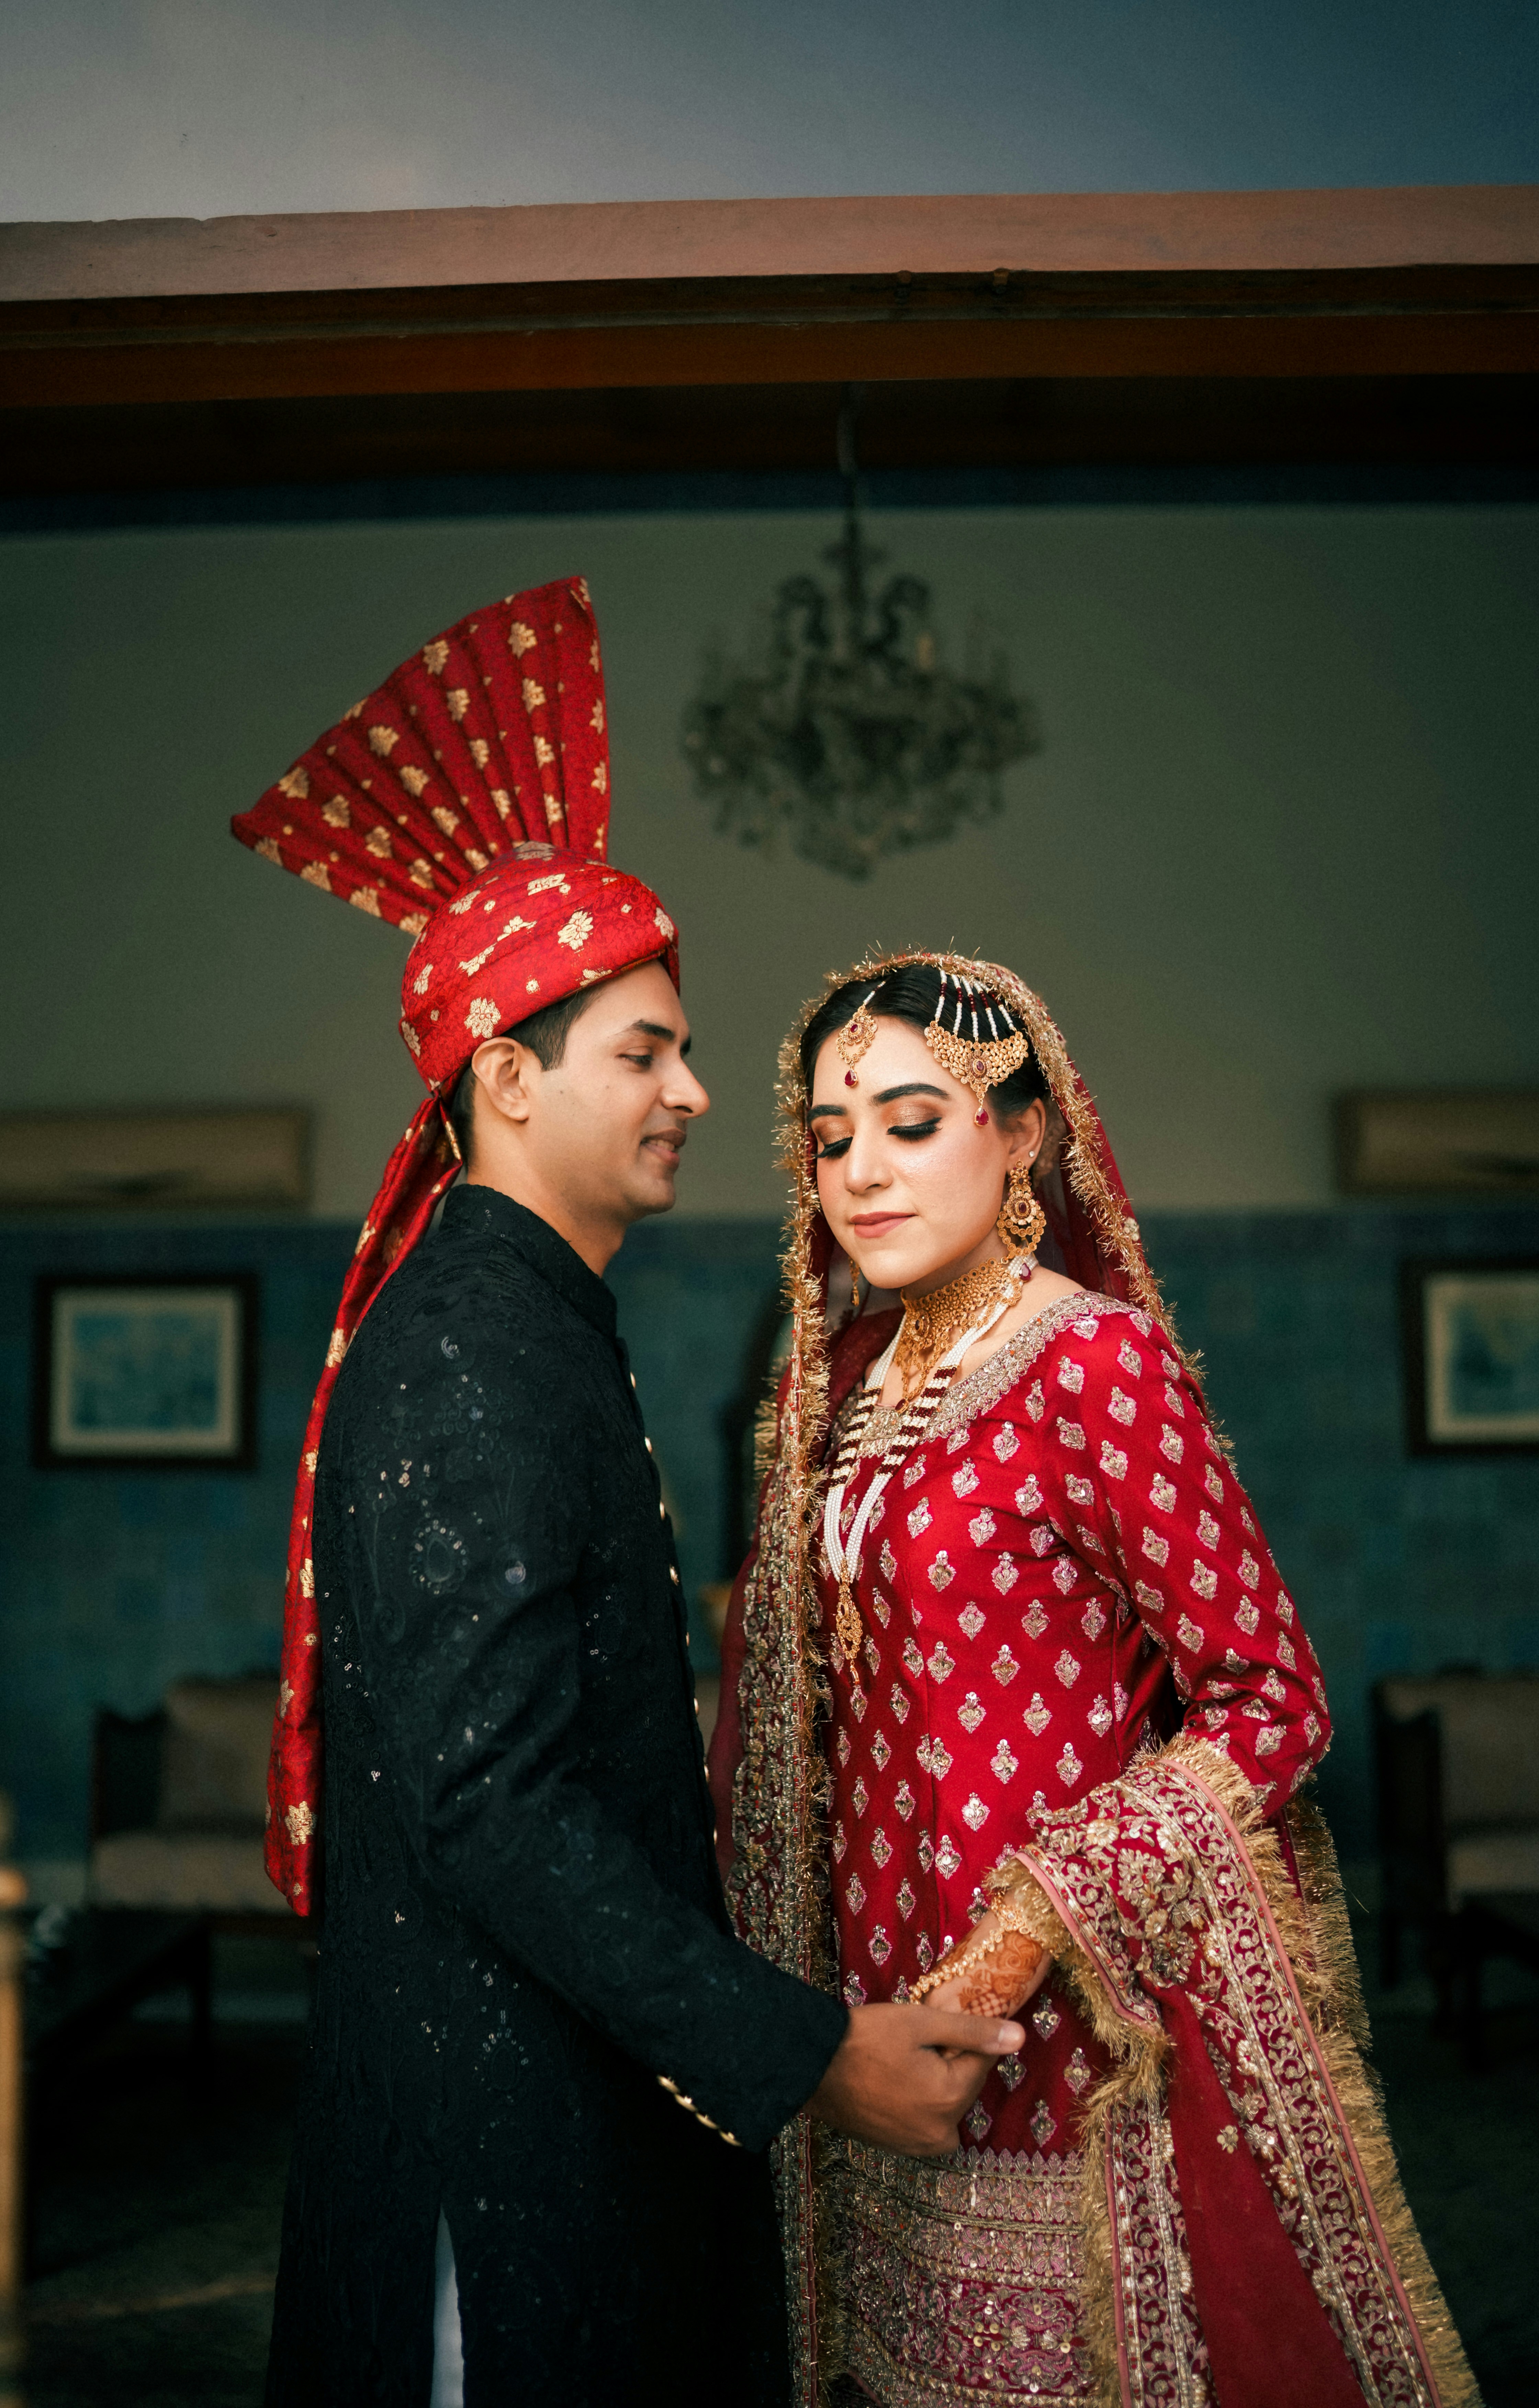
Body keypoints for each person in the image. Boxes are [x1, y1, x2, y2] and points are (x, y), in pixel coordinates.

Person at [232, 587, 1021, 2408]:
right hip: (501, 2169)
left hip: (569, 2122)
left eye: (682, 1048)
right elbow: (496, 1811)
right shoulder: (472, 1351)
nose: (688, 1092)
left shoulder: (533, 1322)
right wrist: (812, 2050)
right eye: (641, 1053)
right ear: (503, 1080)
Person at [710, 951, 1478, 2408]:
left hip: (1061, 2045)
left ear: (1021, 1134)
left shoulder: (1091, 1363)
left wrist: (1025, 1933)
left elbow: (1273, 1700)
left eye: (911, 1121)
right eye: (828, 1137)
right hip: (866, 2051)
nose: (860, 1171)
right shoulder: (847, 1382)